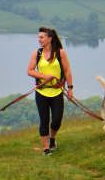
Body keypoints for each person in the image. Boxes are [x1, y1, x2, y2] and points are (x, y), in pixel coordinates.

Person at [27, 27, 74, 156]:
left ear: (49, 39)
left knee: (57, 119)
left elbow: (67, 71)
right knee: (44, 120)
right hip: (41, 92)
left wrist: (70, 88)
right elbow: (30, 71)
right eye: (38, 37)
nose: (39, 39)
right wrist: (44, 76)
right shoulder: (37, 53)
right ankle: (46, 148)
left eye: (41, 37)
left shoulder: (60, 53)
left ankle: (52, 137)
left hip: (57, 92)